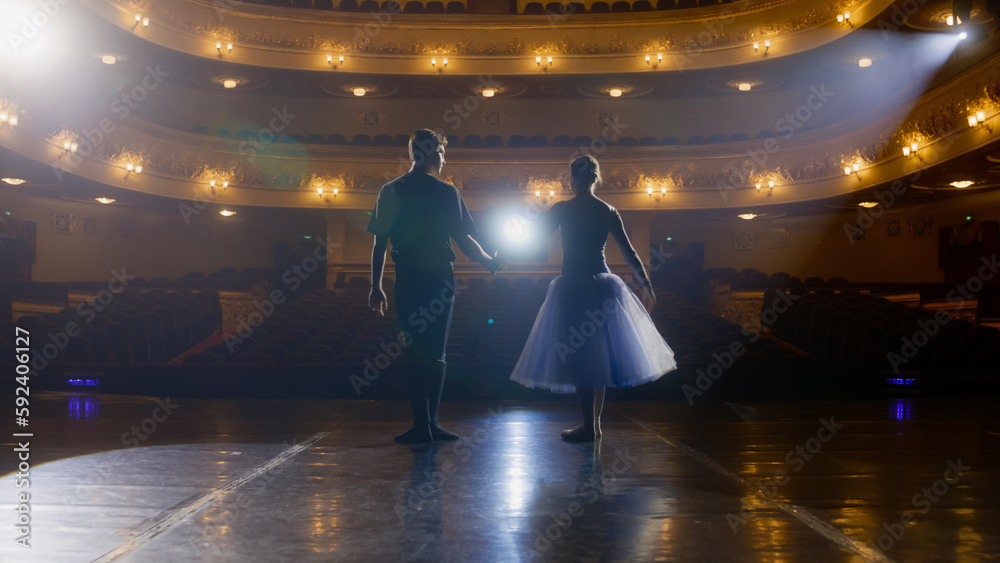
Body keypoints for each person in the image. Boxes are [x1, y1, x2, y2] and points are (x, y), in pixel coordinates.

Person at [508, 155, 677, 442]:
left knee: (581, 356)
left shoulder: (563, 209)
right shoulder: (607, 210)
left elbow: (534, 238)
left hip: (573, 285)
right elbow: (629, 252)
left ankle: (589, 425)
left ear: (573, 179)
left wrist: (505, 254)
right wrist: (646, 283)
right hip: (603, 286)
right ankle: (594, 424)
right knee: (596, 355)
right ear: (595, 179)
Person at [367, 129, 500, 444]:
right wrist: (489, 262)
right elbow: (464, 239)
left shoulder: (391, 190)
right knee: (437, 353)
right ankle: (432, 423)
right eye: (442, 153)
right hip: (439, 278)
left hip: (407, 277)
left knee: (415, 351)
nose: (444, 160)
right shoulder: (446, 191)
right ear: (430, 153)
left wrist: (376, 285)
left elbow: (379, 244)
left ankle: (422, 425)